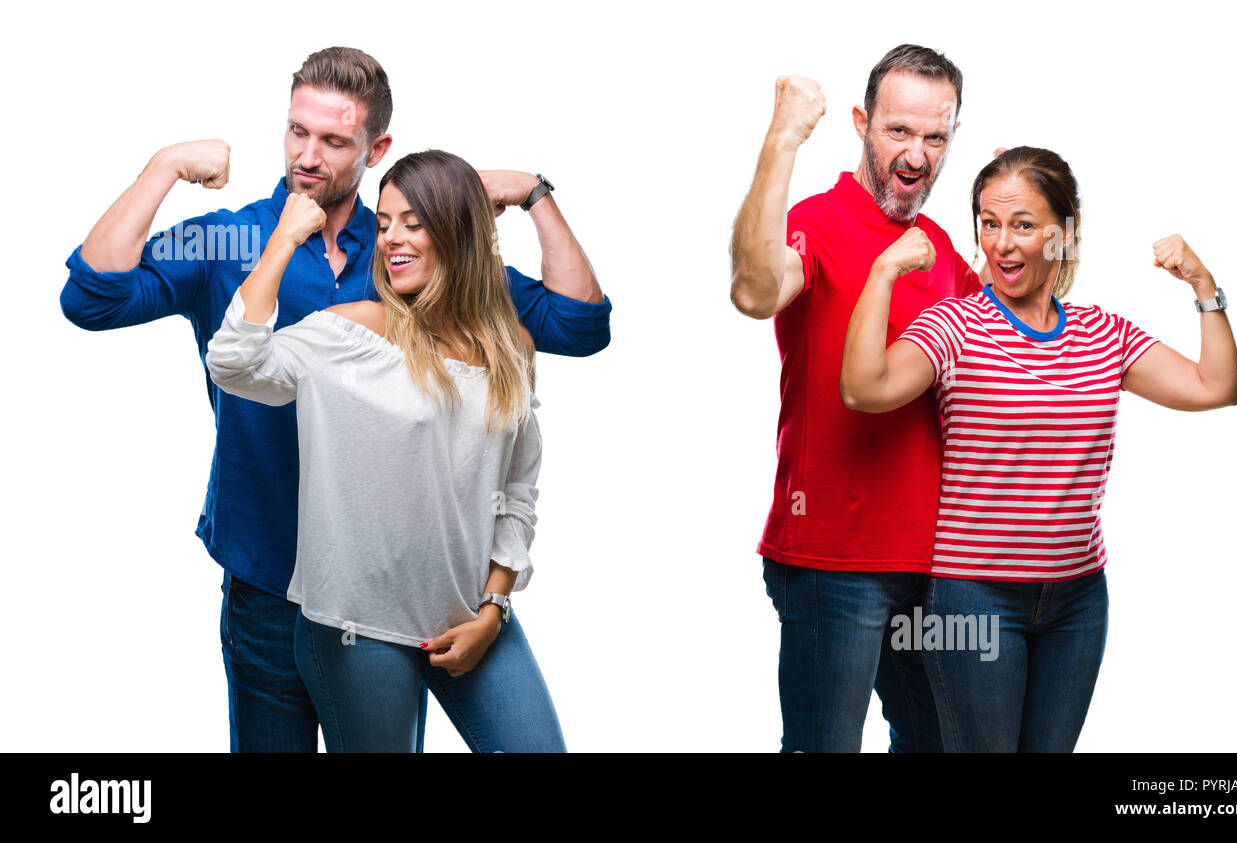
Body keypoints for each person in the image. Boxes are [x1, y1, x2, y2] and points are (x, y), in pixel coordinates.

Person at [59, 47, 611, 752]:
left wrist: (533, 191)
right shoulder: (234, 236)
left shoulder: (408, 249)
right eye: (297, 132)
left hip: (412, 572)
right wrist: (163, 165)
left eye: (334, 140)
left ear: (378, 147)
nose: (308, 155)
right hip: (267, 564)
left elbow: (578, 324)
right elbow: (92, 297)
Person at [840, 146, 1237, 752]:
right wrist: (881, 274)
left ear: (1064, 234)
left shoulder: (1102, 332)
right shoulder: (956, 326)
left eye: (1023, 225)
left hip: (1077, 603)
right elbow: (864, 388)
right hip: (973, 602)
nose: (1001, 244)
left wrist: (1204, 286)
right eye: (989, 222)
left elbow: (1218, 387)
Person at [206, 149, 562, 752]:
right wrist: (284, 242)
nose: (391, 238)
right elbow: (234, 363)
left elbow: (517, 493)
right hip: (356, 625)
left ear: (458, 233)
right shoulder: (352, 329)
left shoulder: (511, 347)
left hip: (467, 613)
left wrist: (494, 606)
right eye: (386, 221)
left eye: (413, 223)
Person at [729, 44, 980, 752]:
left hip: (933, 565)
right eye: (899, 130)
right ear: (862, 124)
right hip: (831, 561)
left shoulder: (939, 247)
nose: (917, 153)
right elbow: (753, 290)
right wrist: (782, 139)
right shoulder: (819, 220)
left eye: (935, 137)